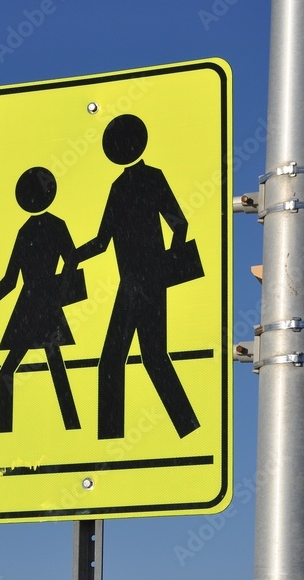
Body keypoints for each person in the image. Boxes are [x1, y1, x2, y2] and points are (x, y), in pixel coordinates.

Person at [68, 114, 200, 440]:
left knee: (113, 361)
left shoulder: (131, 183)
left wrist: (72, 256)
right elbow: (177, 225)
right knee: (153, 358)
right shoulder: (136, 181)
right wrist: (168, 264)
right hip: (144, 281)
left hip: (137, 284)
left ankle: (110, 441)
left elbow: (103, 242)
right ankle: (188, 427)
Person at [0, 166, 81, 433]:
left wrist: (60, 293)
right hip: (36, 304)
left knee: (24, 369)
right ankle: (67, 425)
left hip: (35, 305)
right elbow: (12, 279)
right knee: (48, 366)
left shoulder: (34, 230)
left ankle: (70, 427)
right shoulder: (39, 229)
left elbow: (70, 259)